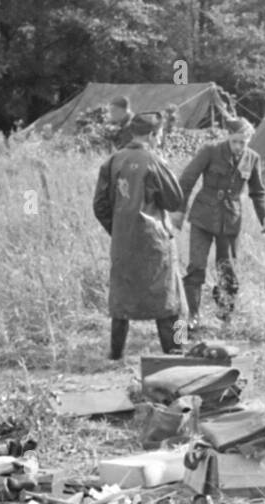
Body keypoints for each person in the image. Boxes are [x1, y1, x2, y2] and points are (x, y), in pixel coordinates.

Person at [92, 112, 186, 360]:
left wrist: (119, 229)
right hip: (155, 241)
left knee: (121, 300)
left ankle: (115, 354)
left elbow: (99, 206)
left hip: (123, 241)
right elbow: (175, 199)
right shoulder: (154, 160)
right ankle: (176, 350)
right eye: (160, 134)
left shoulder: (112, 160)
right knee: (169, 299)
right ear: (154, 134)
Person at [176, 116, 265, 332]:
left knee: (227, 270)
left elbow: (258, 192)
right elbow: (187, 180)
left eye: (243, 142)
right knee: (196, 267)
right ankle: (193, 316)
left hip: (230, 220)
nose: (239, 146)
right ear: (228, 137)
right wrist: (179, 212)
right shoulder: (210, 151)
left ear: (249, 140)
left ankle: (224, 316)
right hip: (203, 217)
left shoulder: (252, 158)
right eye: (235, 141)